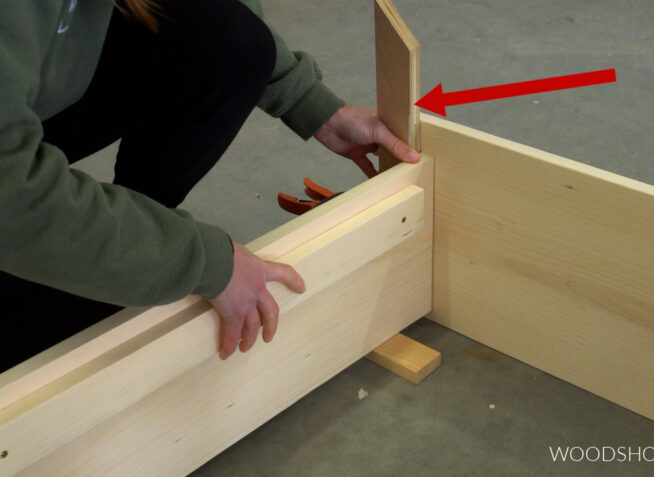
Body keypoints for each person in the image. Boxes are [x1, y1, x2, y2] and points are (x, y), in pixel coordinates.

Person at [0, 0, 420, 371]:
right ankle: (56, 294)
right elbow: (12, 199)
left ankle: (116, 265)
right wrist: (200, 261)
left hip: (32, 94)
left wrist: (312, 104)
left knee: (231, 41)